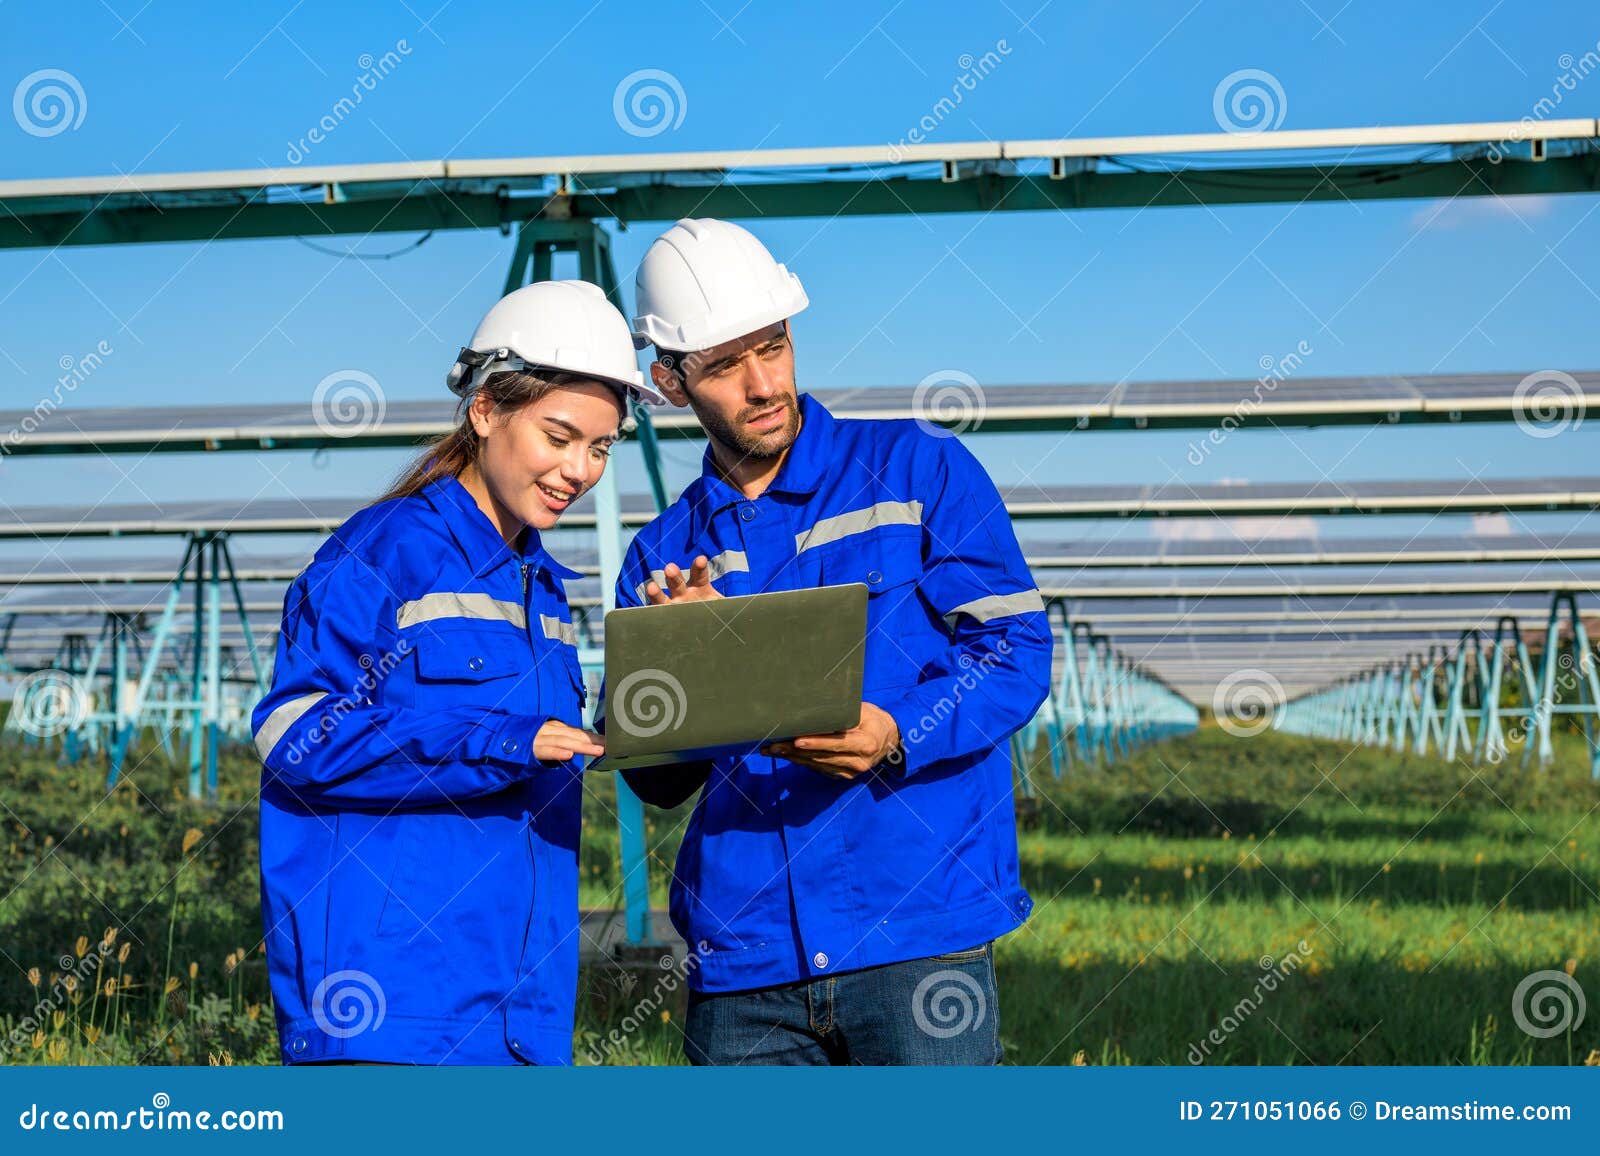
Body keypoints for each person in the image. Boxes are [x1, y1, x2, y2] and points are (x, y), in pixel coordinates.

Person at [608, 218, 1053, 1064]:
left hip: (916, 933)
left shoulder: (920, 470)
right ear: (669, 382)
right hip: (747, 959)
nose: (763, 382)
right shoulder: (661, 557)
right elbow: (659, 782)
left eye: (771, 347)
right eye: (724, 366)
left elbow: (1016, 651)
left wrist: (896, 732)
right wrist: (685, 664)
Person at [251, 280, 662, 1065]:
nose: (580, 469)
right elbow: (294, 732)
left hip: (517, 1008)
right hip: (393, 1012)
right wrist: (501, 742)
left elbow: (534, 748)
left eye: (601, 448)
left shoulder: (539, 585)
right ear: (485, 412)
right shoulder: (385, 552)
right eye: (559, 435)